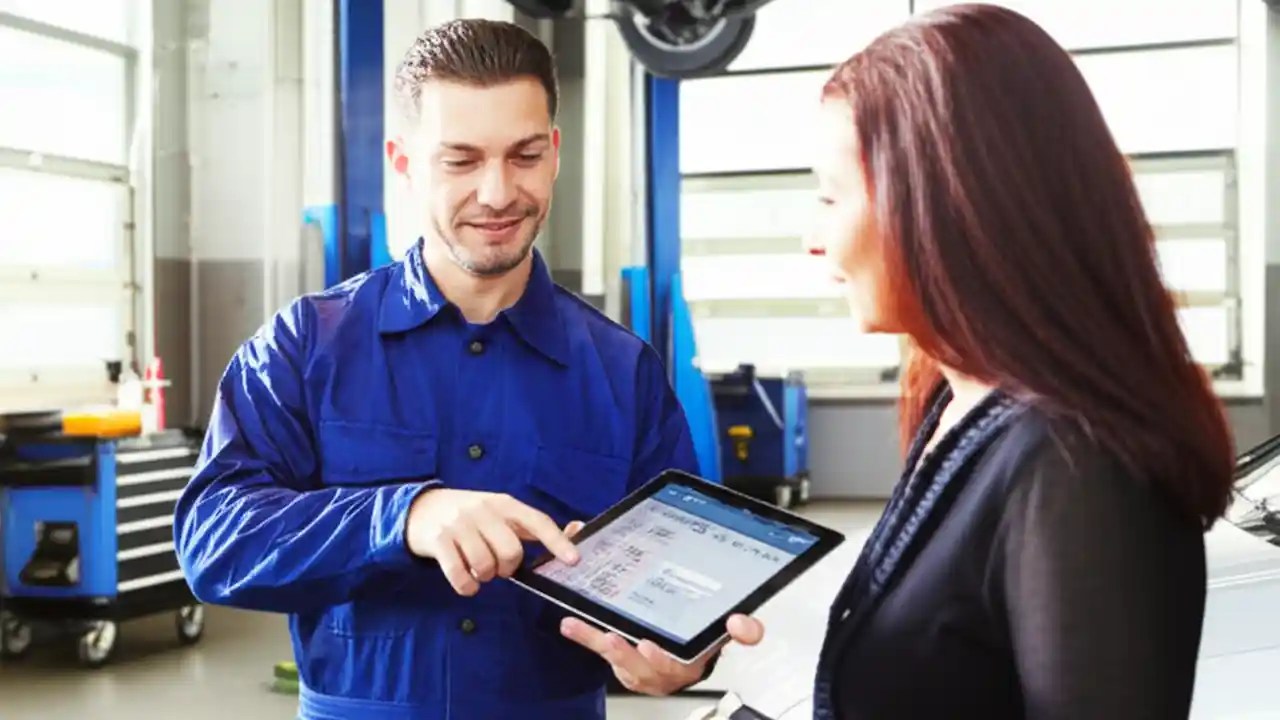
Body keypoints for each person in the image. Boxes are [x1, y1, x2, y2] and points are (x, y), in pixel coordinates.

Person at [564, 5, 1238, 718]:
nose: (812, 239)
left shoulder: (1079, 469)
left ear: (944, 204)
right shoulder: (958, 406)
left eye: (829, 197)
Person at [173, 18, 710, 720]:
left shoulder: (622, 371)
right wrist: (403, 516)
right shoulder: (305, 345)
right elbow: (214, 540)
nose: (496, 193)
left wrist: (684, 651)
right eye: (460, 160)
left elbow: (684, 574)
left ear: (554, 154)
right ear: (403, 163)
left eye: (523, 156)